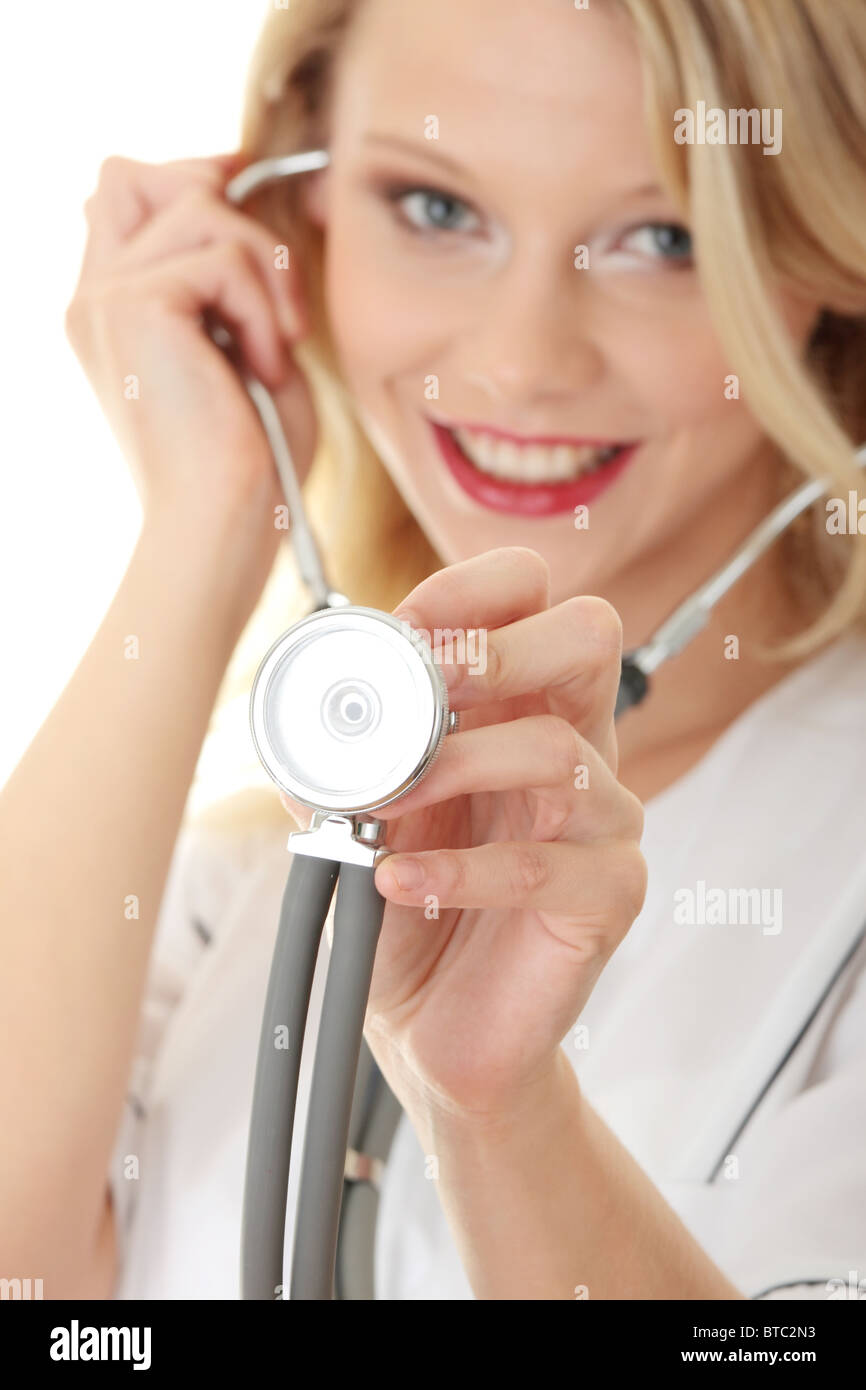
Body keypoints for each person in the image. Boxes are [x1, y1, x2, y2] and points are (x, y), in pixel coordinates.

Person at [2, 0, 866, 1300]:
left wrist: (502, 1114)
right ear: (296, 209)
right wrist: (207, 522)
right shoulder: (232, 875)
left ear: (827, 265)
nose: (520, 364)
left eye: (665, 237)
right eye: (435, 207)